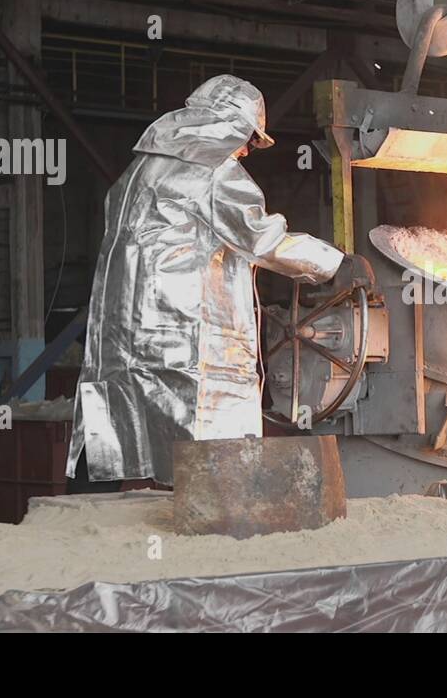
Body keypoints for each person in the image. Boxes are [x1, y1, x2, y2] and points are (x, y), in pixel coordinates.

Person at [67, 75, 344, 485]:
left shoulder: (139, 171)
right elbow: (263, 240)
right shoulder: (212, 170)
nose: (248, 151)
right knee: (206, 466)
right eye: (250, 140)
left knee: (136, 448)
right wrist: (335, 264)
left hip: (126, 340)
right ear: (232, 126)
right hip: (188, 337)